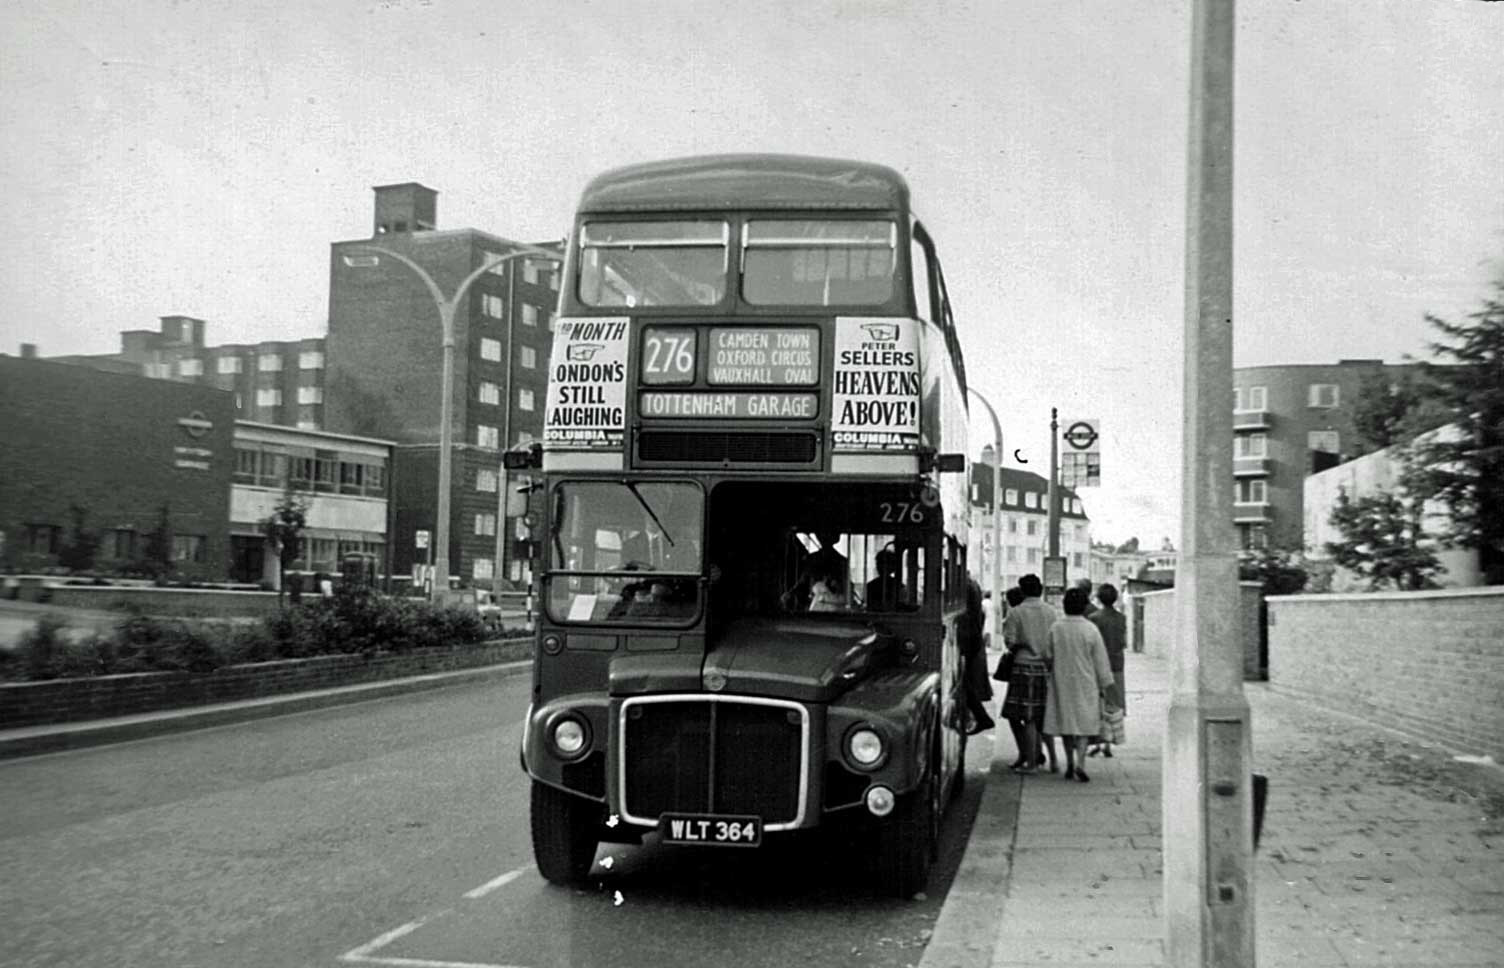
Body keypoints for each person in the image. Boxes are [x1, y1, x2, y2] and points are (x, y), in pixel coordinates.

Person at [1041, 586, 1115, 782]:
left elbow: (1047, 655)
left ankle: (1069, 763)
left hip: (1061, 681)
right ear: (1084, 607)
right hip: (1086, 681)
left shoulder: (1056, 628)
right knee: (1082, 723)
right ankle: (1081, 763)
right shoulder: (1090, 629)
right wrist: (1105, 683)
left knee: (1067, 723)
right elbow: (1100, 660)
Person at [999, 574, 1059, 774]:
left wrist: (1024, 644)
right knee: (1040, 716)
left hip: (1022, 667)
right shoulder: (1051, 612)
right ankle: (1050, 759)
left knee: (1026, 717)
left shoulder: (1016, 613)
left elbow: (1010, 641)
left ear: (1023, 590)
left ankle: (1031, 763)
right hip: (1043, 667)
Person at [1087, 582, 1128, 757]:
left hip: (1098, 664)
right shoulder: (1121, 618)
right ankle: (1109, 744)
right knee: (1114, 702)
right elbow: (1123, 642)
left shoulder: (1094, 618)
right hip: (1117, 663)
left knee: (1099, 703)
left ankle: (1099, 740)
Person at [960, 575, 995, 734]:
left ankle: (978, 717)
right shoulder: (973, 585)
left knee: (963, 681)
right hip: (973, 638)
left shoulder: (964, 585)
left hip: (966, 639)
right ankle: (977, 717)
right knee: (965, 681)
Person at [782, 530, 848, 611]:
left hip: (835, 608)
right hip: (813, 609)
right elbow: (803, 583)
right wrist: (791, 593)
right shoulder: (811, 560)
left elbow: (844, 589)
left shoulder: (841, 562)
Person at [865, 547, 905, 611]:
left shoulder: (871, 585)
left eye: (882, 564)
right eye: (878, 563)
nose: (879, 567)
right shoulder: (899, 585)